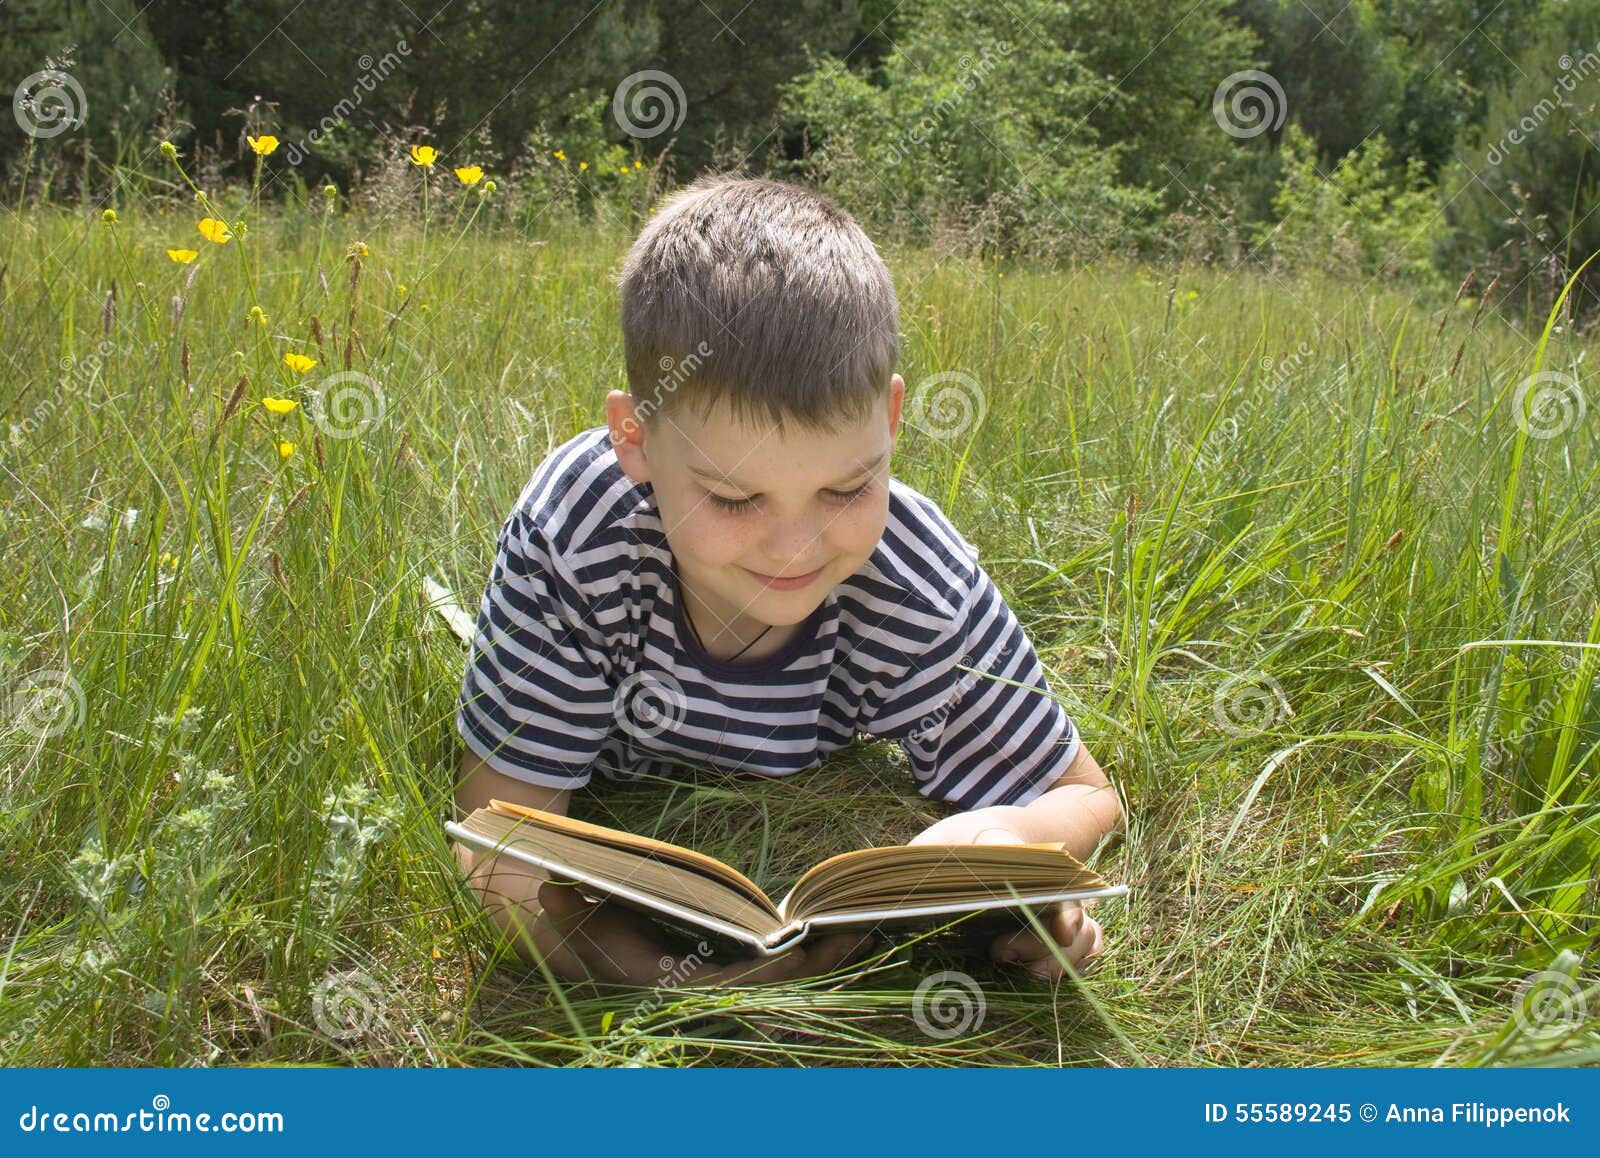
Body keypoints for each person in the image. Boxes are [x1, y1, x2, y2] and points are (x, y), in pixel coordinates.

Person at [452, 173, 1124, 987]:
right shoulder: (574, 537)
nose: (795, 547)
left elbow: (1083, 793)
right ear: (633, 437)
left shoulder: (916, 582)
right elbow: (497, 841)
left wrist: (1022, 854)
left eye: (847, 488)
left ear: (891, 420)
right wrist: (673, 981)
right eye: (733, 497)